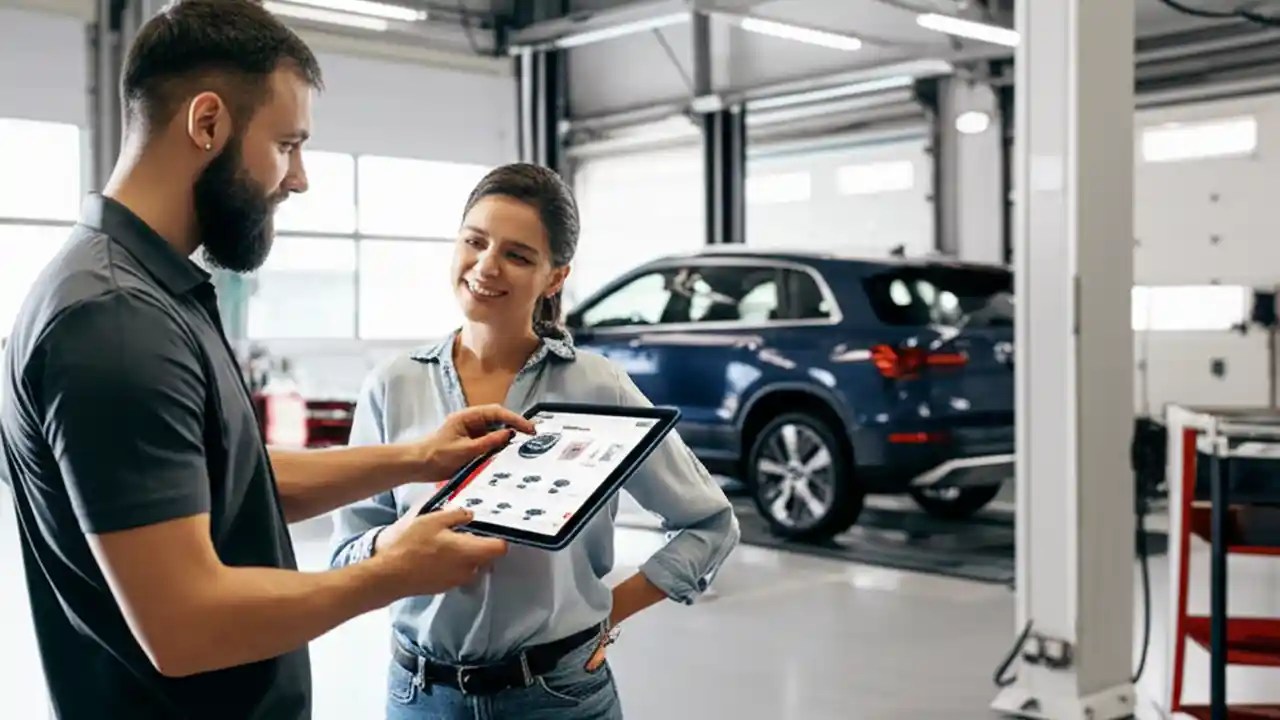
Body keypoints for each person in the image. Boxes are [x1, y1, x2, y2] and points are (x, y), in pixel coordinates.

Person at [0, 2, 527, 719]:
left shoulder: (147, 288)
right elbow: (185, 625)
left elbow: (226, 477)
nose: (298, 177)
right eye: (287, 145)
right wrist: (391, 572)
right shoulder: (116, 320)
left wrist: (418, 459)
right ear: (207, 123)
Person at [329, 163, 741, 719]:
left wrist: (608, 614)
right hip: (420, 697)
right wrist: (396, 544)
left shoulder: (599, 387)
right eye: (475, 241)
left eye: (518, 255)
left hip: (558, 697)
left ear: (554, 278)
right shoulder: (392, 385)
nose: (486, 265)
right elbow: (347, 552)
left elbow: (709, 523)